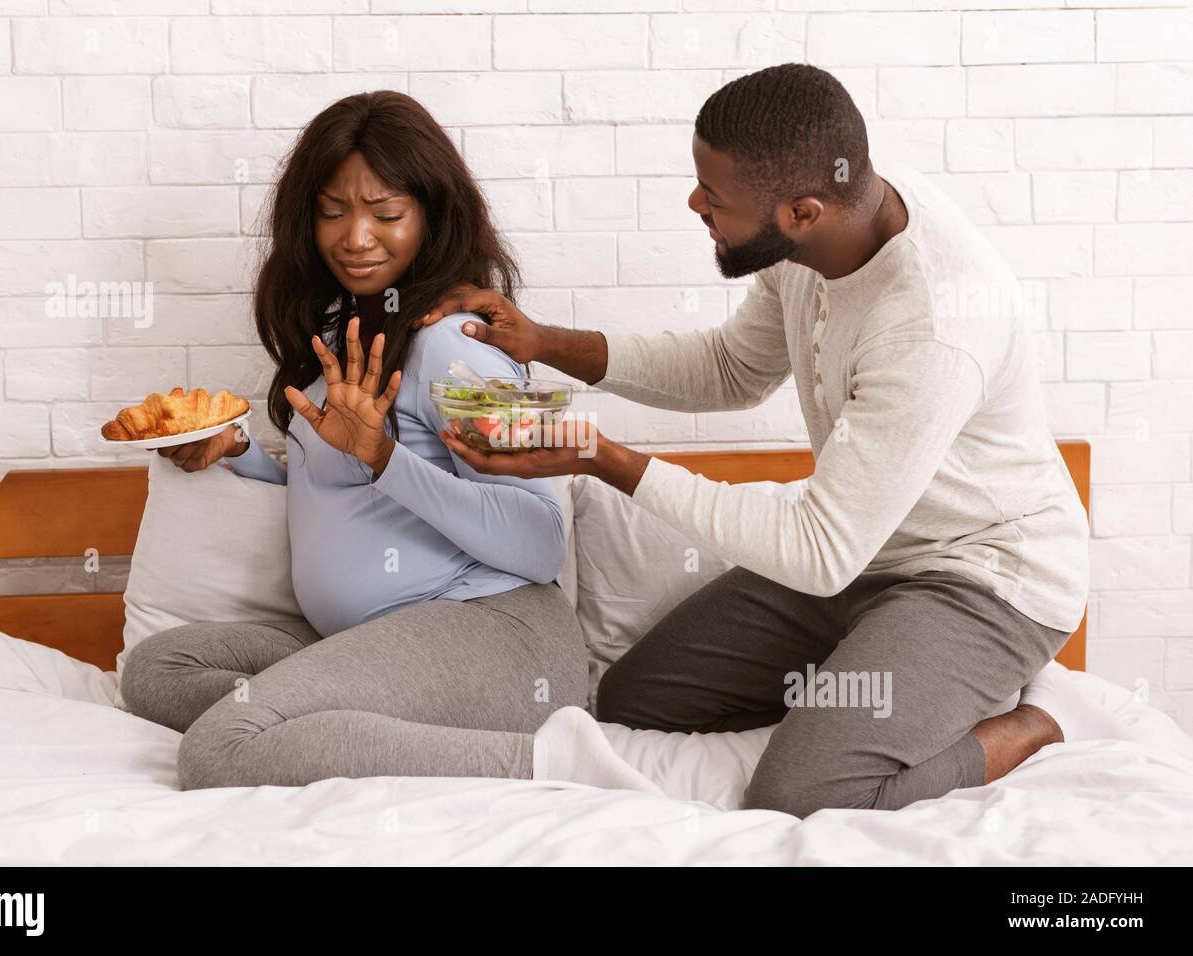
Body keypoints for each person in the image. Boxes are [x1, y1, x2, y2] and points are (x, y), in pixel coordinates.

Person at [414, 64, 1128, 818]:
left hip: (980, 577)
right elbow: (732, 368)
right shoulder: (824, 236)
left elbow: (820, 548)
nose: (695, 203)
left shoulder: (932, 326)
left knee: (805, 791)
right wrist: (544, 342)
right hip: (863, 554)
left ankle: (1032, 723)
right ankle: (875, 659)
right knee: (635, 696)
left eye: (713, 197)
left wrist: (604, 458)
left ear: (803, 211)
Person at [119, 91, 658, 796]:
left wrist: (385, 460)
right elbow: (341, 498)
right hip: (364, 641)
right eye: (333, 211)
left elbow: (539, 541)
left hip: (494, 635)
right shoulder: (348, 337)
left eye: (386, 213)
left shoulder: (456, 347)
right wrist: (238, 451)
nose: (356, 237)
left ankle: (547, 764)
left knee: (220, 750)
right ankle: (360, 721)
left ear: (431, 217)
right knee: (156, 670)